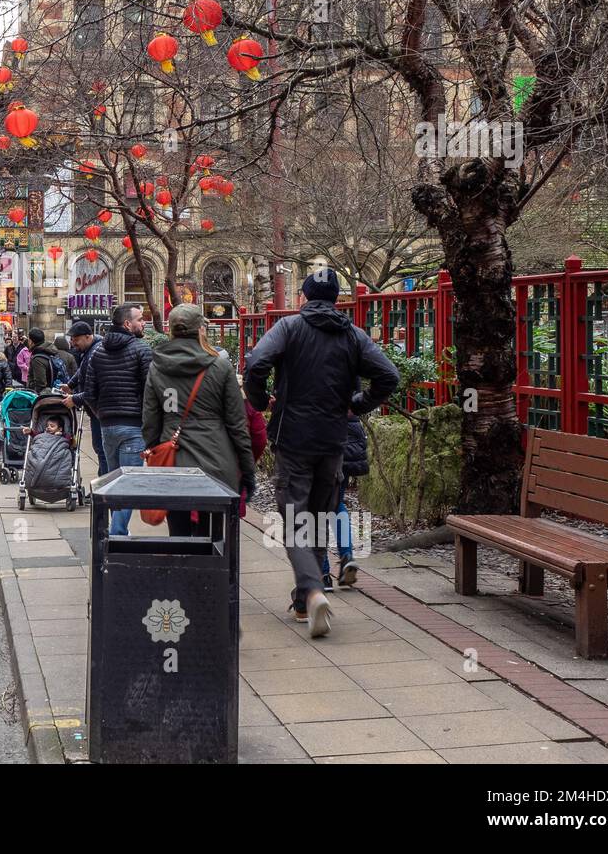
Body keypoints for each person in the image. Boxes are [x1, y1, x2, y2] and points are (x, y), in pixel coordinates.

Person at [244, 268, 399, 638]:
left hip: (292, 437)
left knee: (295, 519)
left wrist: (261, 400)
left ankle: (312, 591)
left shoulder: (289, 328)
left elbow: (256, 362)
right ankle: (303, 602)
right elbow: (389, 376)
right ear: (335, 299)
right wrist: (357, 404)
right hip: (333, 439)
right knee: (319, 516)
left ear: (304, 298)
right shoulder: (352, 334)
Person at [142, 304, 257, 537]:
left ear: (171, 330)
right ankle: (210, 571)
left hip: (173, 458)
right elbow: (237, 425)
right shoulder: (220, 366)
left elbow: (150, 421)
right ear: (201, 330)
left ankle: (183, 567)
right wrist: (247, 469)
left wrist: (155, 450)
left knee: (179, 531)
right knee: (214, 534)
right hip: (215, 458)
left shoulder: (157, 367)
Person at [65, 303, 154, 536]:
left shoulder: (99, 352)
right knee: (129, 483)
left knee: (114, 481)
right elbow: (150, 392)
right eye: (139, 319)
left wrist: (102, 415)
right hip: (133, 427)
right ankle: (117, 533)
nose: (143, 322)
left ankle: (115, 530)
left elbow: (90, 393)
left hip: (107, 427)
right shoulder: (142, 349)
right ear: (127, 324)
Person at [322, 410, 368, 590]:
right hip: (346, 452)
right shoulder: (348, 384)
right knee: (337, 504)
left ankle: (323, 573)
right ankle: (347, 556)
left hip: (322, 450)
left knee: (316, 510)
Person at [63, 321, 108, 475]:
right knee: (101, 449)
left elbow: (92, 389)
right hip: (95, 410)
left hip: (99, 410)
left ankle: (103, 488)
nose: (73, 343)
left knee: (102, 450)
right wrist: (70, 384)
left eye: (76, 339)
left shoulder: (97, 350)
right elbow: (82, 371)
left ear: (88, 336)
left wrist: (74, 399)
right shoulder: (89, 351)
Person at [23, 327, 64, 392]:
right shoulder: (52, 352)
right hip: (56, 392)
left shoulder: (37, 359)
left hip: (44, 397)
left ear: (30, 341)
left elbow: (40, 384)